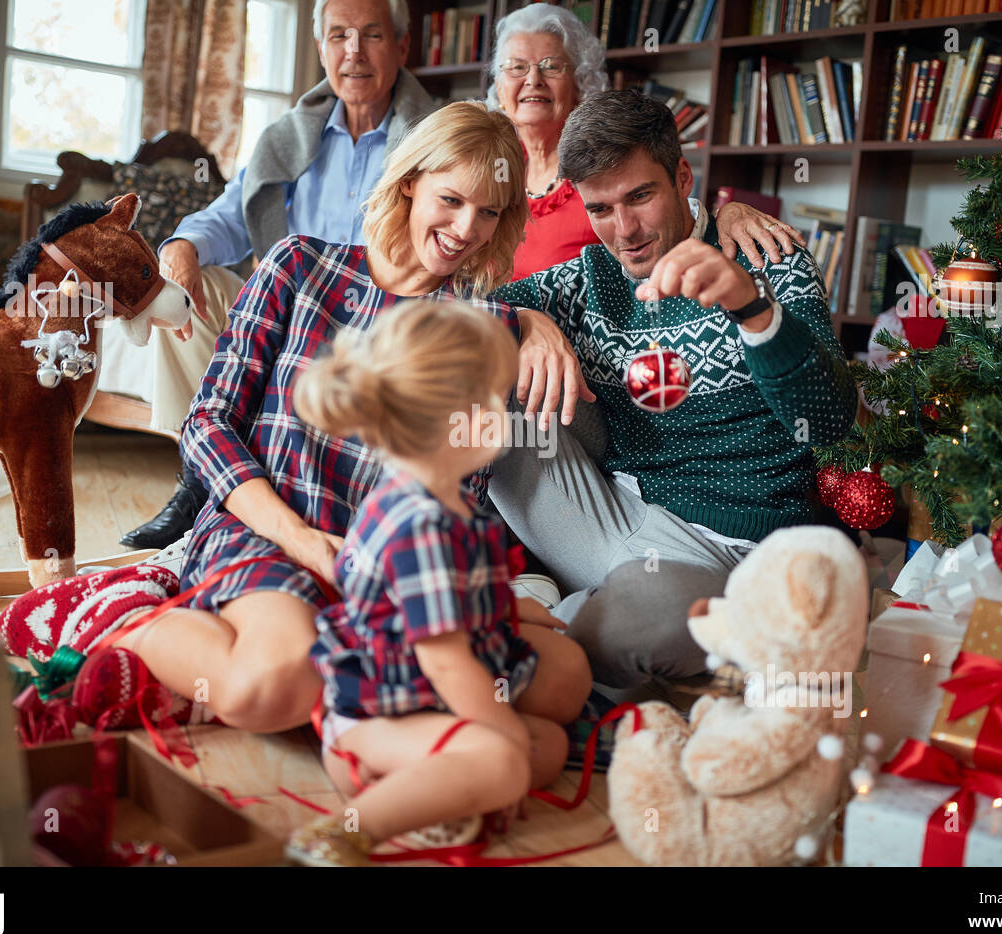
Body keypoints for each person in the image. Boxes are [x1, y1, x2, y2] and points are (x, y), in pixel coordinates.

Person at [2, 102, 588, 737]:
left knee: (564, 680)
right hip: (266, 532)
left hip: (386, 567)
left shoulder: (486, 331)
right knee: (273, 685)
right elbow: (210, 423)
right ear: (411, 181)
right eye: (451, 199)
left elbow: (456, 495)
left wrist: (477, 599)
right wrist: (302, 541)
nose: (465, 227)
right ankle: (125, 619)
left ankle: (346, 696)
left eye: (489, 211)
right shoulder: (299, 266)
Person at [488, 89, 859, 691]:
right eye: (601, 209)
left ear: (682, 176)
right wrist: (528, 325)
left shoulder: (769, 261)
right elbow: (449, 317)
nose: (625, 231)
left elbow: (829, 420)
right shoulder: (585, 279)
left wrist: (753, 310)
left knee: (652, 615)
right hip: (609, 518)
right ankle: (560, 624)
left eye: (640, 196)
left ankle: (541, 632)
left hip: (733, 546)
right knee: (476, 369)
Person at [122, 0, 436, 551]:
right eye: (338, 35)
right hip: (290, 310)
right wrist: (183, 245)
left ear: (402, 47)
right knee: (184, 293)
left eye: (371, 35)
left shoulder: (431, 141)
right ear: (321, 48)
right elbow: (229, 212)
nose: (353, 51)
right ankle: (199, 478)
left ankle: (245, 497)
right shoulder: (291, 136)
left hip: (377, 322)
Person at [285, 299, 589, 866]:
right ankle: (349, 827)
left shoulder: (445, 497)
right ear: (458, 419)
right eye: (499, 399)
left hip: (428, 697)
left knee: (547, 748)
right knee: (509, 760)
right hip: (382, 716)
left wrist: (513, 613)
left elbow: (461, 599)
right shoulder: (420, 525)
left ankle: (449, 788)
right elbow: (446, 662)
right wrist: (501, 731)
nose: (508, 412)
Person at [487, 3, 803, 282]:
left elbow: (668, 216)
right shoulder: (493, 169)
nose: (533, 79)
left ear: (581, 84)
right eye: (516, 67)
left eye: (551, 66)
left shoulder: (607, 168)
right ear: (500, 89)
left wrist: (729, 213)